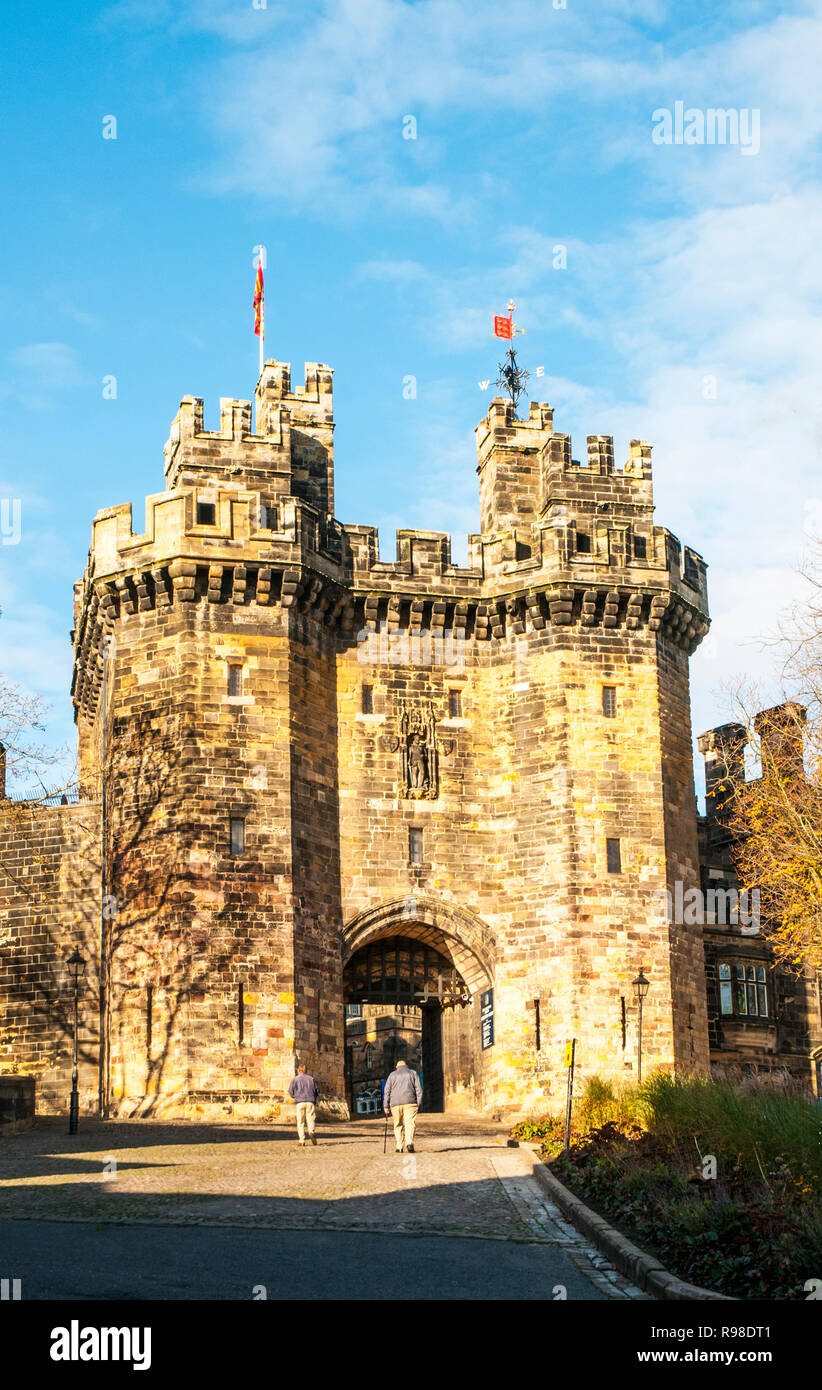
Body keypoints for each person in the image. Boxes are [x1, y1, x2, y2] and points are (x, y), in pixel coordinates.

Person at [383, 1058, 422, 1153]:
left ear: (397, 1067)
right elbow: (419, 1090)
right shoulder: (413, 1073)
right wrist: (418, 1103)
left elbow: (387, 1091)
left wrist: (386, 1106)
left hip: (395, 1104)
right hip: (410, 1102)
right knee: (409, 1123)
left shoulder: (392, 1075)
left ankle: (399, 1147)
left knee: (398, 1125)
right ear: (406, 1066)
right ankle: (409, 1143)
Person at [288, 1063, 319, 1146]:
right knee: (311, 1119)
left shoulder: (295, 1079)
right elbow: (317, 1091)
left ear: (298, 1070)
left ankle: (301, 1140)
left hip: (300, 1102)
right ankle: (311, 1132)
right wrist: (313, 1098)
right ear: (306, 1070)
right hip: (310, 1101)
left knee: (300, 1121)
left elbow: (290, 1091)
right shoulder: (311, 1079)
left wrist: (295, 1096)